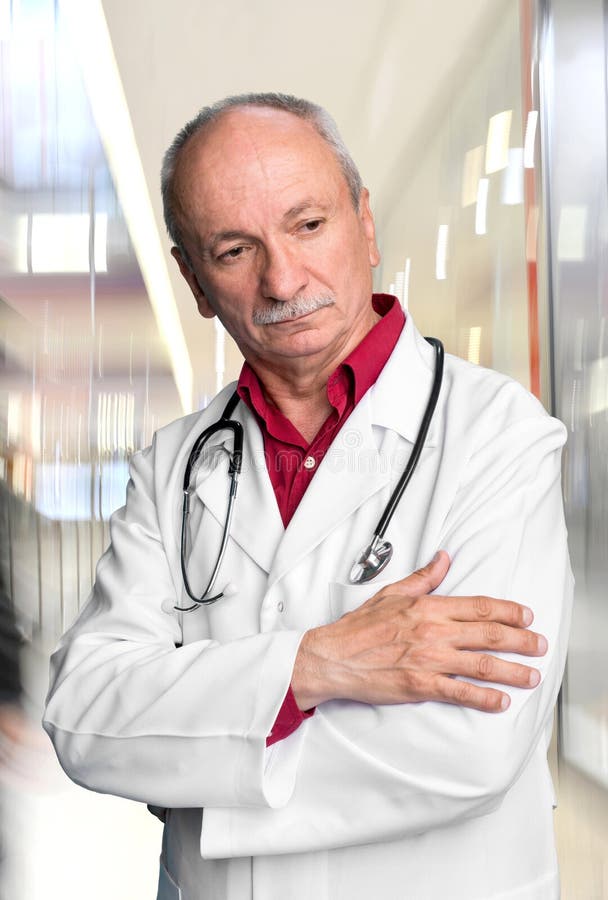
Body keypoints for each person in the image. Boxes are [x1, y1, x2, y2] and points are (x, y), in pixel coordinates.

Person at [43, 93, 573, 900]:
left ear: (364, 222)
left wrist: (198, 764)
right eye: (233, 250)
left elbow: (472, 745)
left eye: (308, 225)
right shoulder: (174, 465)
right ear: (192, 279)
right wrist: (314, 666)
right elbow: (87, 716)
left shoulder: (500, 436)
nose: (283, 278)